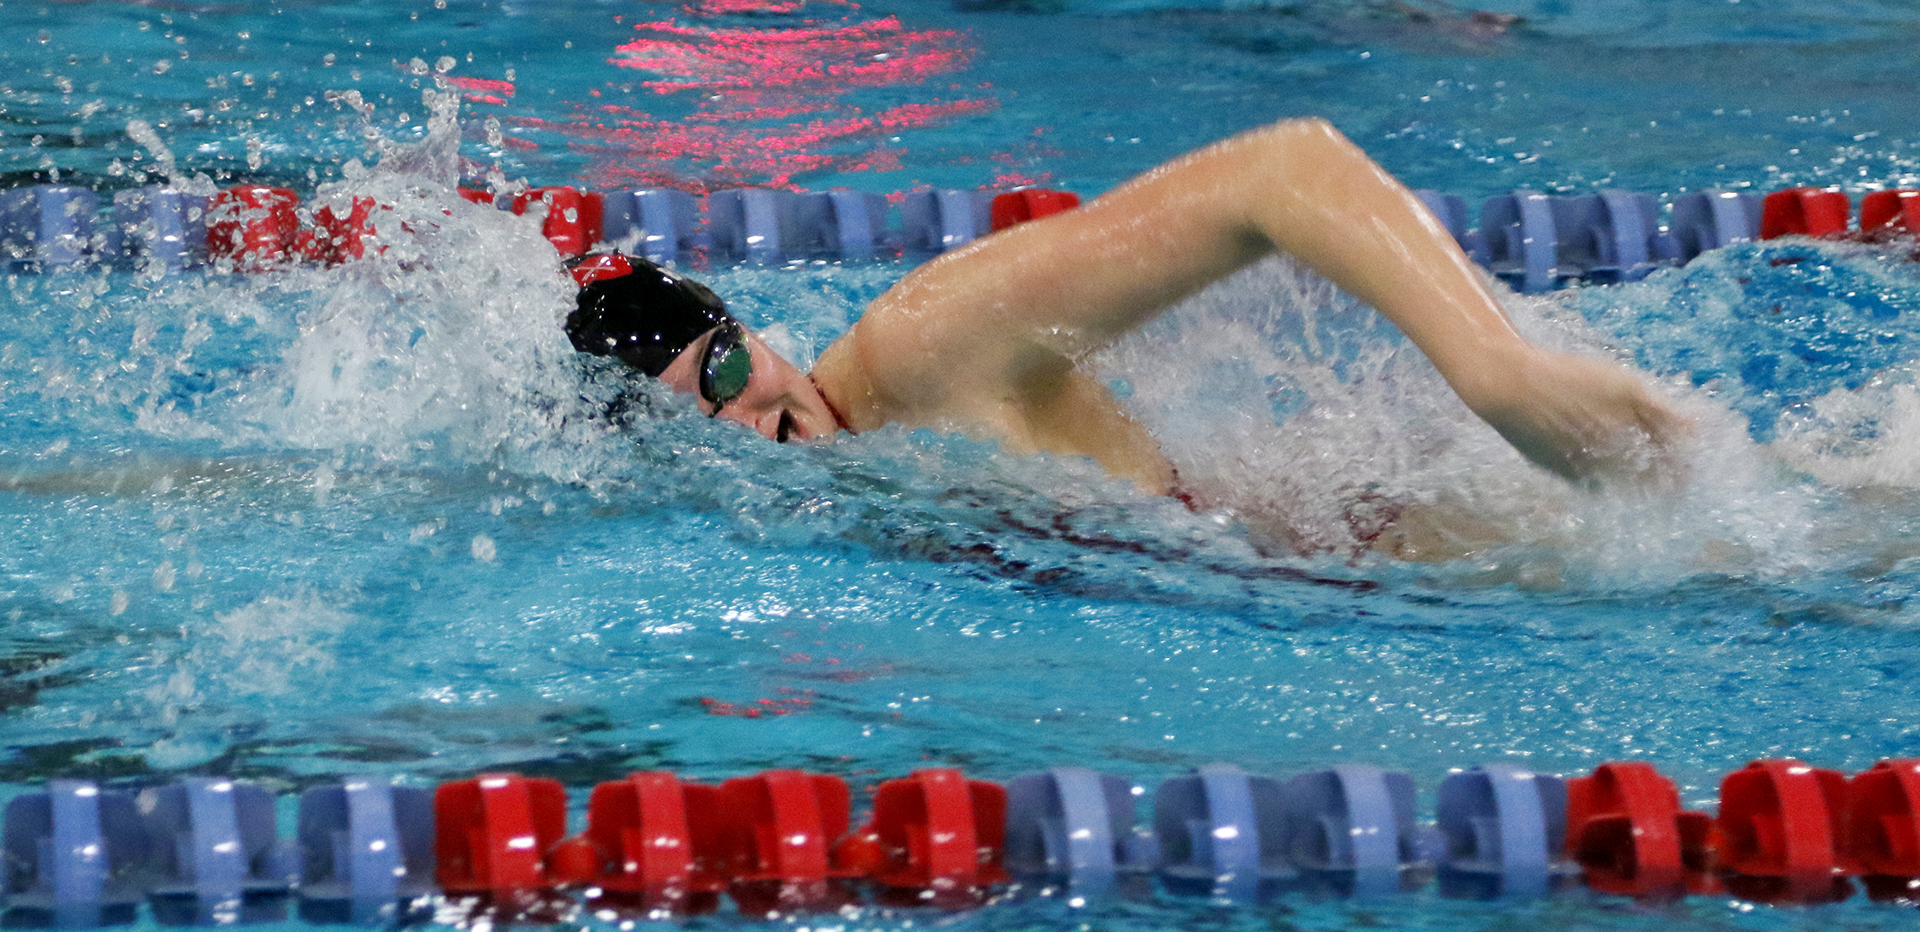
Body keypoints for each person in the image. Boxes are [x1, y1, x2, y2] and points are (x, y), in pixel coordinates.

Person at [565, 118, 1690, 499]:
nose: (745, 428)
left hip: (1430, 538)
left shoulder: (921, 346)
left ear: (741, 323)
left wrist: (1497, 372)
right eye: (690, 431)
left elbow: (1284, 169)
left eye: (721, 375)